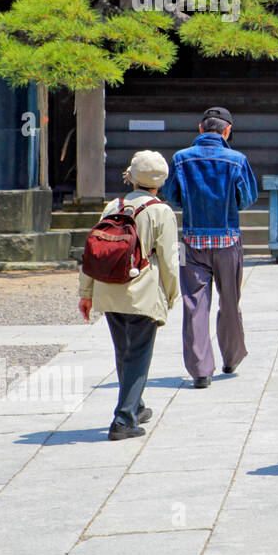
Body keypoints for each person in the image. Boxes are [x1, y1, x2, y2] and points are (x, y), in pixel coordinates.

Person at [77, 151, 180, 440]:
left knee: (124, 352)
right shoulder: (161, 212)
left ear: (132, 176)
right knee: (137, 355)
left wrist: (87, 293)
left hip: (108, 290)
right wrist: (171, 296)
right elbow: (170, 262)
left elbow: (92, 251)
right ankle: (123, 420)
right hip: (142, 293)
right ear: (160, 182)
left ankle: (137, 404)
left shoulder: (113, 206)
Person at [162, 106, 257, 389]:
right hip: (228, 240)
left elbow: (172, 197)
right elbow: (247, 198)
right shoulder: (237, 159)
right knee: (230, 302)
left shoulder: (180, 159)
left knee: (194, 306)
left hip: (193, 242)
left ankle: (201, 371)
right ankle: (232, 357)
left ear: (200, 129)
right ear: (227, 131)